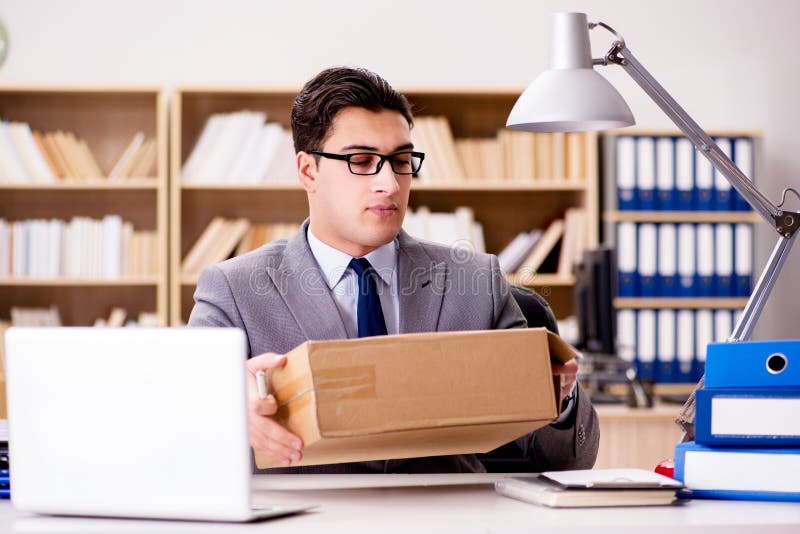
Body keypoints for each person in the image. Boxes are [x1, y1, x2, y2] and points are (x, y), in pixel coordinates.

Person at [188, 66, 599, 473]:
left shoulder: (476, 282)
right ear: (308, 171)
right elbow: (183, 427)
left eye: (401, 160)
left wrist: (559, 401)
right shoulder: (233, 290)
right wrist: (223, 403)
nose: (389, 183)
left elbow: (562, 460)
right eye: (362, 161)